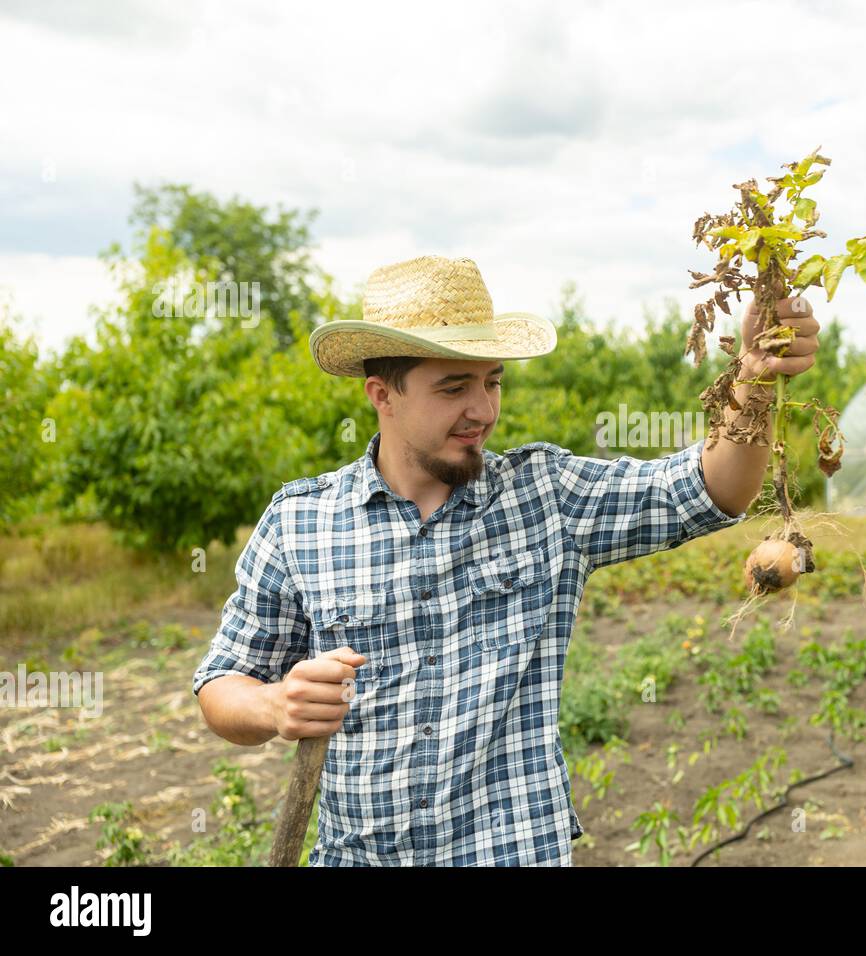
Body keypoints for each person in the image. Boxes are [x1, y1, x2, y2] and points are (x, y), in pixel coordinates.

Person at [192, 254, 820, 865]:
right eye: (453, 387)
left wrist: (755, 379)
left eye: (492, 381)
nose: (484, 410)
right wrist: (276, 706)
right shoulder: (302, 522)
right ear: (382, 395)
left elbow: (709, 489)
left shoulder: (545, 497)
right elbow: (222, 685)